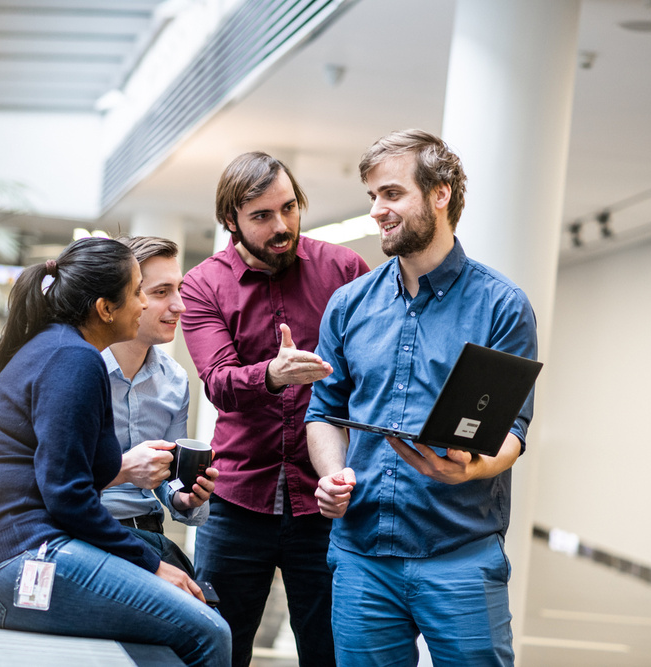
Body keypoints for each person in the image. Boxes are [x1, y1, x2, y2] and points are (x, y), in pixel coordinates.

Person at [0, 238, 230, 667]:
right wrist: (152, 566)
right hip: (14, 561)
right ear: (105, 309)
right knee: (210, 632)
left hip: (0, 558)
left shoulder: (62, 348)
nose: (146, 304)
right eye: (139, 292)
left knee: (178, 574)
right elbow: (67, 496)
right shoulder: (74, 360)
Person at [306, 129, 539, 666]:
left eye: (392, 194)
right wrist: (332, 475)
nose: (377, 210)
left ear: (440, 193)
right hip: (361, 557)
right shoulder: (348, 304)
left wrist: (472, 468)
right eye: (373, 196)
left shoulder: (501, 305)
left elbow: (512, 431)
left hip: (459, 557)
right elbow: (323, 412)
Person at [180, 152, 369, 667]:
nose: (281, 225)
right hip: (238, 501)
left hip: (327, 500)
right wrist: (272, 374)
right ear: (231, 220)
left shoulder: (345, 270)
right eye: (262, 216)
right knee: (218, 648)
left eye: (289, 208)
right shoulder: (203, 284)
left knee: (331, 651)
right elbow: (219, 383)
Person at [101, 235, 218, 577]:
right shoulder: (79, 368)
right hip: (87, 530)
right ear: (121, 300)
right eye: (161, 292)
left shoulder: (174, 380)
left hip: (148, 533)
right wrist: (124, 469)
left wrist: (185, 497)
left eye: (179, 290)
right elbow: (51, 478)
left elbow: (168, 481)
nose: (180, 305)